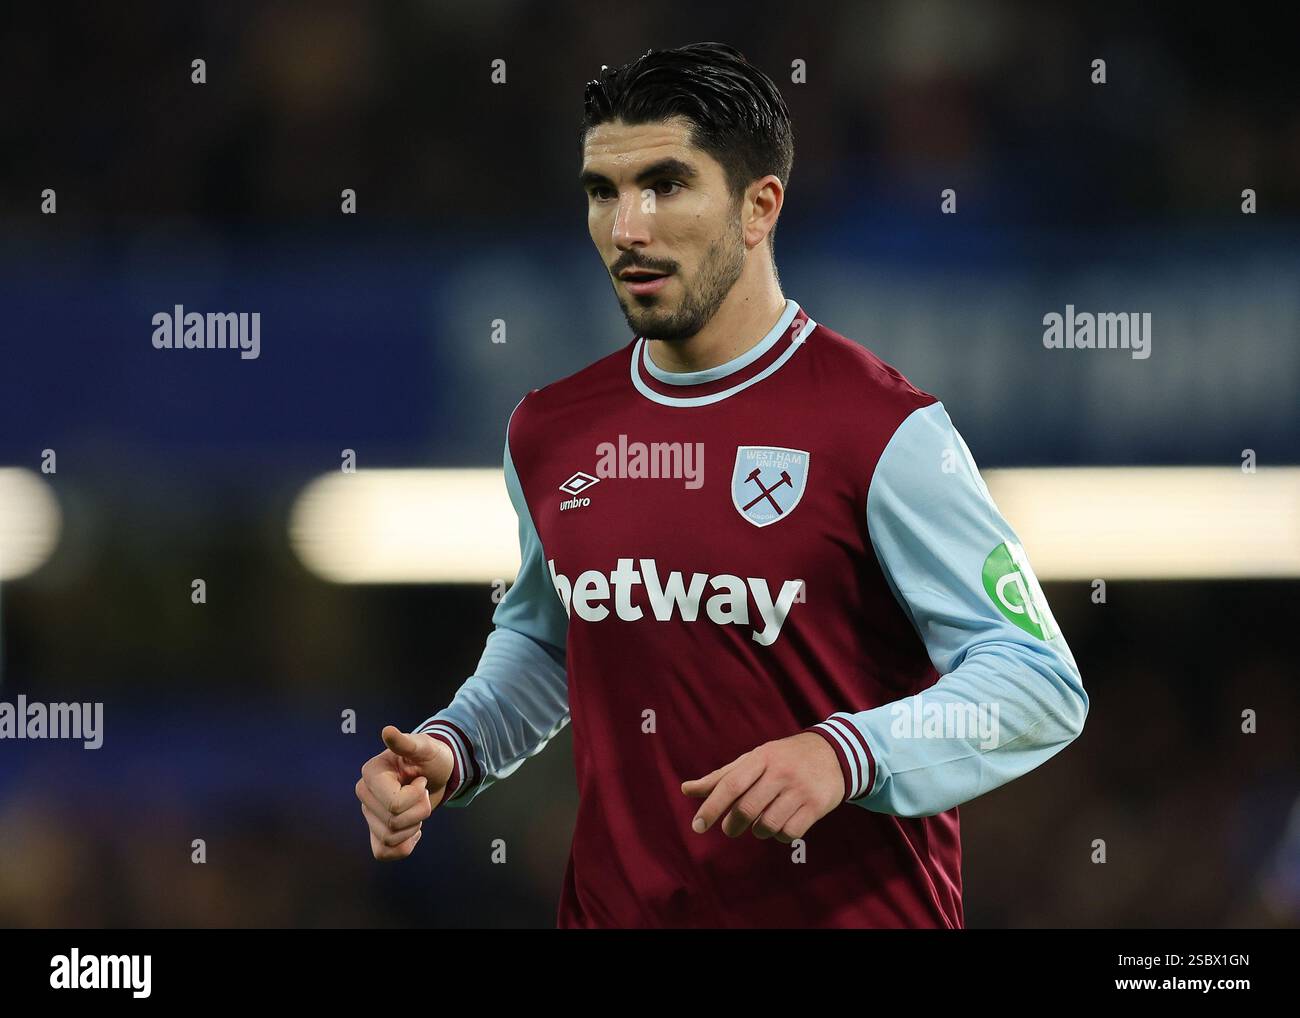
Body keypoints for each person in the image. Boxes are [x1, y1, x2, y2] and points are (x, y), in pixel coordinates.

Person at [356, 41, 1087, 928]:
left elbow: (1036, 681)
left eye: (665, 185)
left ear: (758, 207)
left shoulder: (881, 430)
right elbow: (553, 644)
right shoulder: (550, 432)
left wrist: (845, 753)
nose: (628, 227)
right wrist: (456, 744)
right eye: (603, 191)